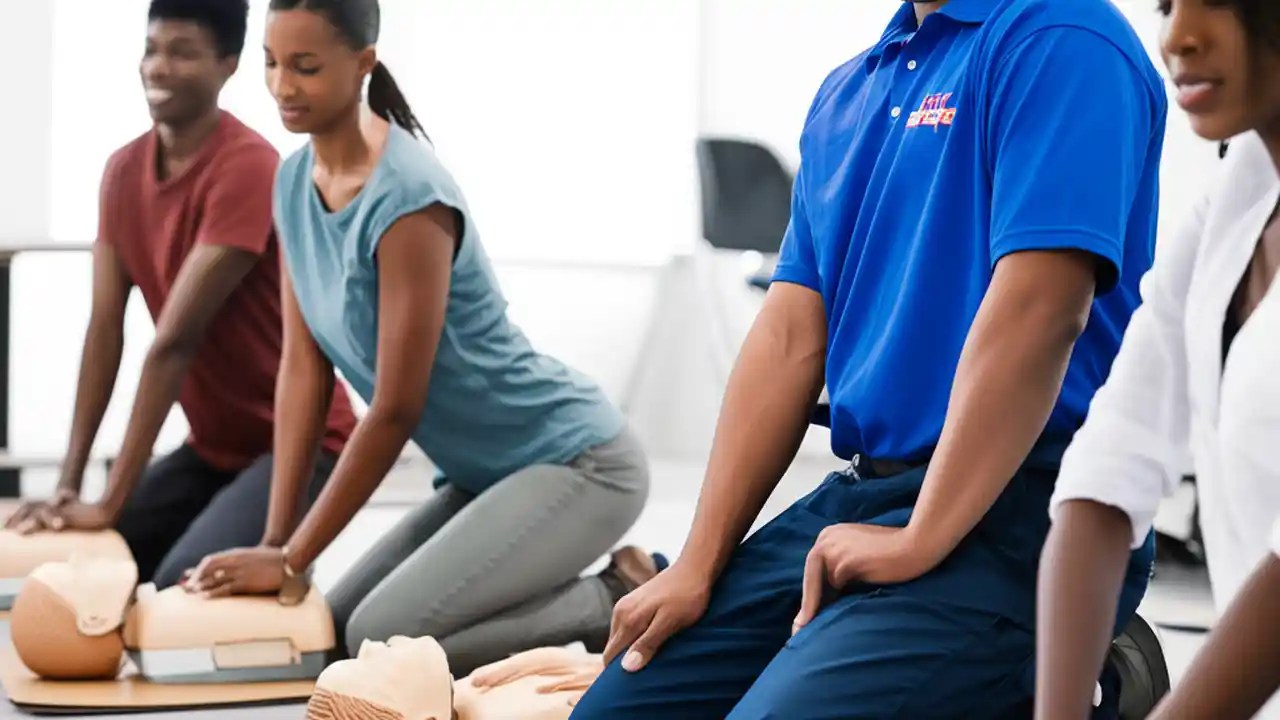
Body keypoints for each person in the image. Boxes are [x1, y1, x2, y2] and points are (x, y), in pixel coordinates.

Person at [570, 0, 1170, 717]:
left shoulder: (1062, 38)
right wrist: (697, 562)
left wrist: (922, 538)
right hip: (865, 495)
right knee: (616, 710)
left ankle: (1073, 674)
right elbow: (790, 339)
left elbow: (1041, 312)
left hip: (1019, 508)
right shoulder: (851, 89)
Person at [182, 0, 653, 676]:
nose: (283, 87)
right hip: (482, 476)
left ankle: (616, 593)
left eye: (306, 67)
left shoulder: (409, 198)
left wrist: (291, 563)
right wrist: (277, 545)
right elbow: (303, 373)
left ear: (363, 63)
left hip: (579, 462)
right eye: (272, 63)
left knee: (384, 638)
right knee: (336, 631)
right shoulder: (292, 181)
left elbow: (397, 408)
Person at [3, 0, 357, 590]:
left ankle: (286, 608)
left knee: (179, 583)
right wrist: (72, 488)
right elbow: (104, 329)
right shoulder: (122, 171)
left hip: (303, 445)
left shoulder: (248, 167)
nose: (158, 67)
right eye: (152, 49)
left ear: (228, 64)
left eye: (182, 52)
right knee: (90, 571)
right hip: (215, 447)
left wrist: (110, 502)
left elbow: (175, 340)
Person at [1037, 0, 1280, 717]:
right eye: (1168, 4)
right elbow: (1107, 469)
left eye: (1219, 0)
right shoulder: (1236, 200)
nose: (1178, 36)